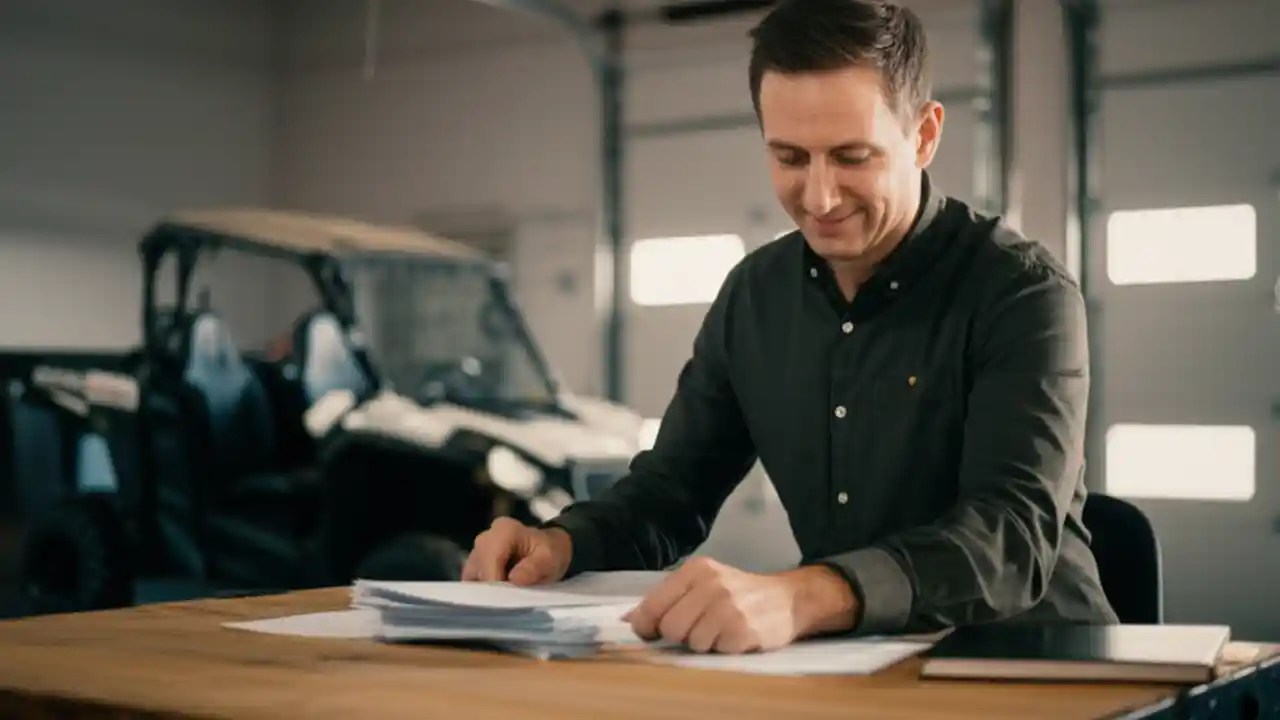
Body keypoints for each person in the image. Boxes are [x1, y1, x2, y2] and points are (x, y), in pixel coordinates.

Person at [462, 0, 1119, 653]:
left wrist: (803, 596)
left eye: (852, 156)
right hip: (856, 668)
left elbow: (1009, 539)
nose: (820, 196)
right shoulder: (755, 297)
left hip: (1045, 668)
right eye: (791, 158)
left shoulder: (1022, 292)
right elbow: (670, 492)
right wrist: (560, 543)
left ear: (923, 135)